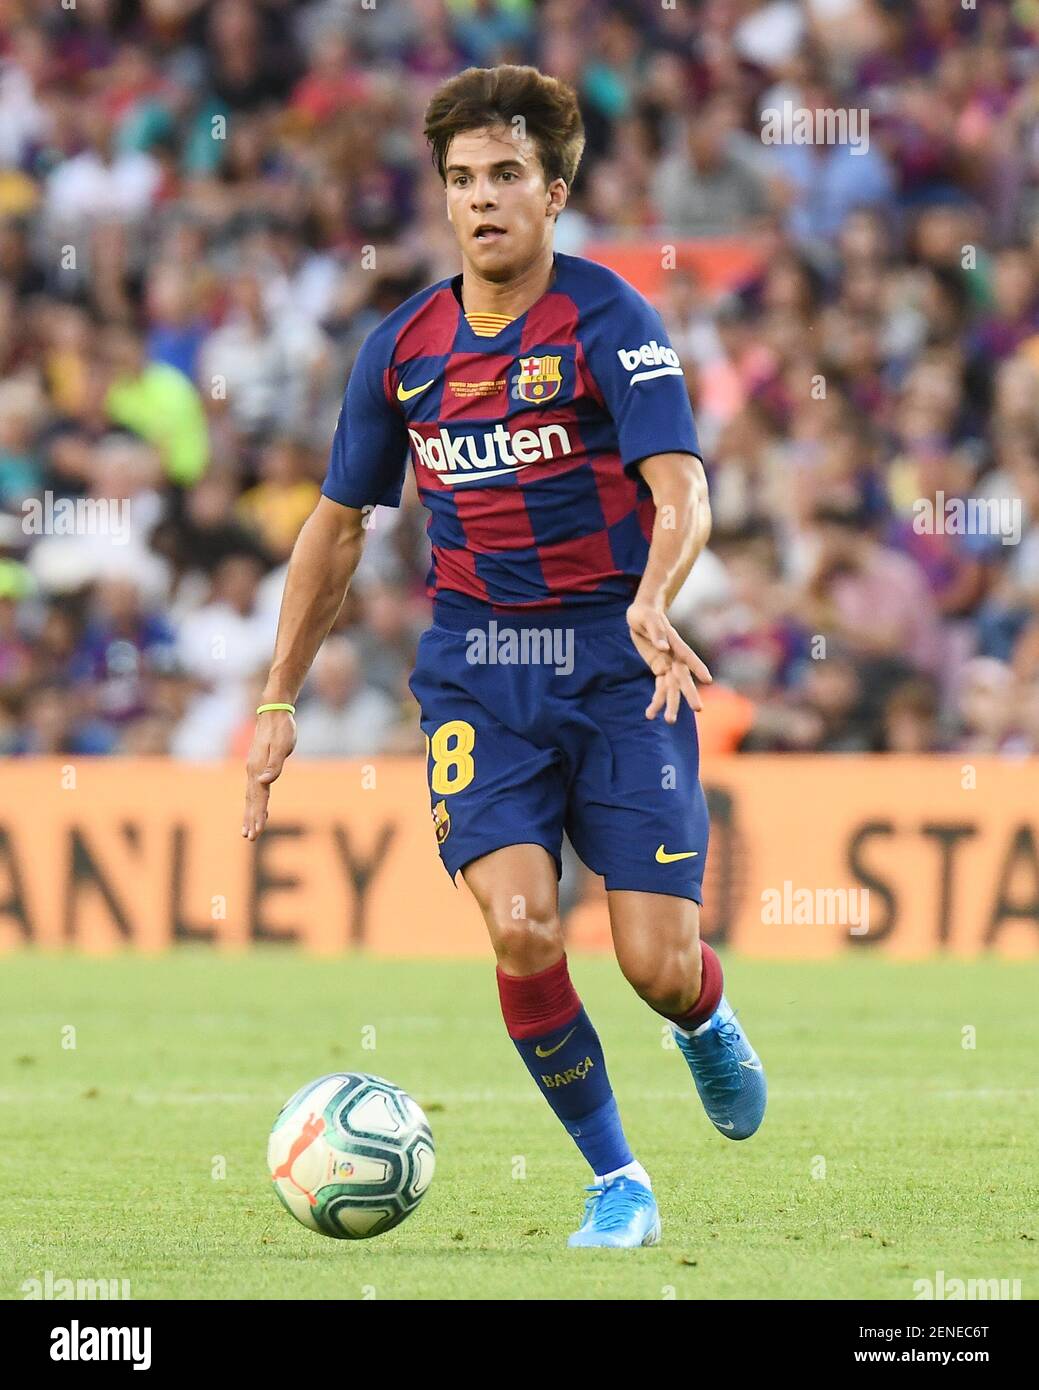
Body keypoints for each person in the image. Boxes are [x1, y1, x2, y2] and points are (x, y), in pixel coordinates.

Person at [242, 64, 766, 1249]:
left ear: (554, 192)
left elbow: (680, 485)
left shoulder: (609, 321)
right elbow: (336, 527)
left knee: (653, 962)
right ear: (442, 198)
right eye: (462, 180)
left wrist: (652, 590)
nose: (482, 200)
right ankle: (617, 1179)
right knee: (523, 925)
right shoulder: (401, 349)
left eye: (507, 176)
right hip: (478, 670)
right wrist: (279, 693)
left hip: (620, 663)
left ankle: (702, 1016)